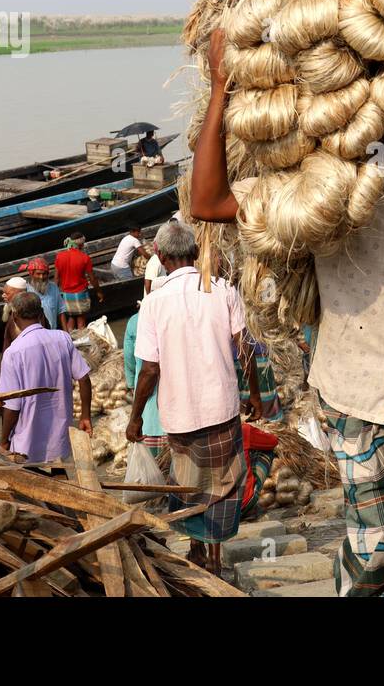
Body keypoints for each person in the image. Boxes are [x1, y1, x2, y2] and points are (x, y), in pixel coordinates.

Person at [190, 27, 384, 596]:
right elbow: (207, 201)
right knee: (379, 545)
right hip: (359, 394)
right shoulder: (319, 199)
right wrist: (222, 87)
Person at [127, 221, 257, 574]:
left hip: (179, 413)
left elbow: (149, 369)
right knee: (223, 484)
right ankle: (211, 556)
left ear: (159, 255)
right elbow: (244, 347)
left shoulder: (152, 304)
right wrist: (254, 395)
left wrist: (135, 416)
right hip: (221, 408)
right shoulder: (223, 290)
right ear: (196, 253)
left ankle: (198, 551)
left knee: (188, 483)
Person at [0, 291, 93, 462]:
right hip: (59, 437)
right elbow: (84, 378)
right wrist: (85, 415)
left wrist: (4, 440)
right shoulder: (62, 339)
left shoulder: (13, 353)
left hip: (26, 442)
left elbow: (12, 405)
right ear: (41, 313)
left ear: (14, 316)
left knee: (32, 484)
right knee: (60, 478)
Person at [123, 285, 167, 457]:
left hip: (146, 407)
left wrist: (131, 380)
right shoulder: (175, 315)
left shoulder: (135, 320)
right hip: (174, 416)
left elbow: (129, 357)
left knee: (151, 469)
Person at [55, 233, 103, 331]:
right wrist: (98, 292)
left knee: (71, 317)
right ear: (80, 245)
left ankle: (69, 341)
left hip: (66, 294)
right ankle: (81, 342)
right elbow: (92, 278)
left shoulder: (60, 256)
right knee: (81, 321)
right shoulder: (84, 257)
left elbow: (56, 278)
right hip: (80, 293)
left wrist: (56, 295)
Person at [23, 256, 62, 329]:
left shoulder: (53, 287)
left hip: (52, 331)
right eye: (38, 274)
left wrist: (66, 332)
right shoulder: (25, 290)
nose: (41, 277)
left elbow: (61, 310)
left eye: (44, 274)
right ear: (31, 274)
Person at [0, 276, 30, 352]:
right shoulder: (11, 311)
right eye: (3, 292)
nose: (3, 295)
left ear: (20, 294)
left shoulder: (31, 313)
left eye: (7, 293)